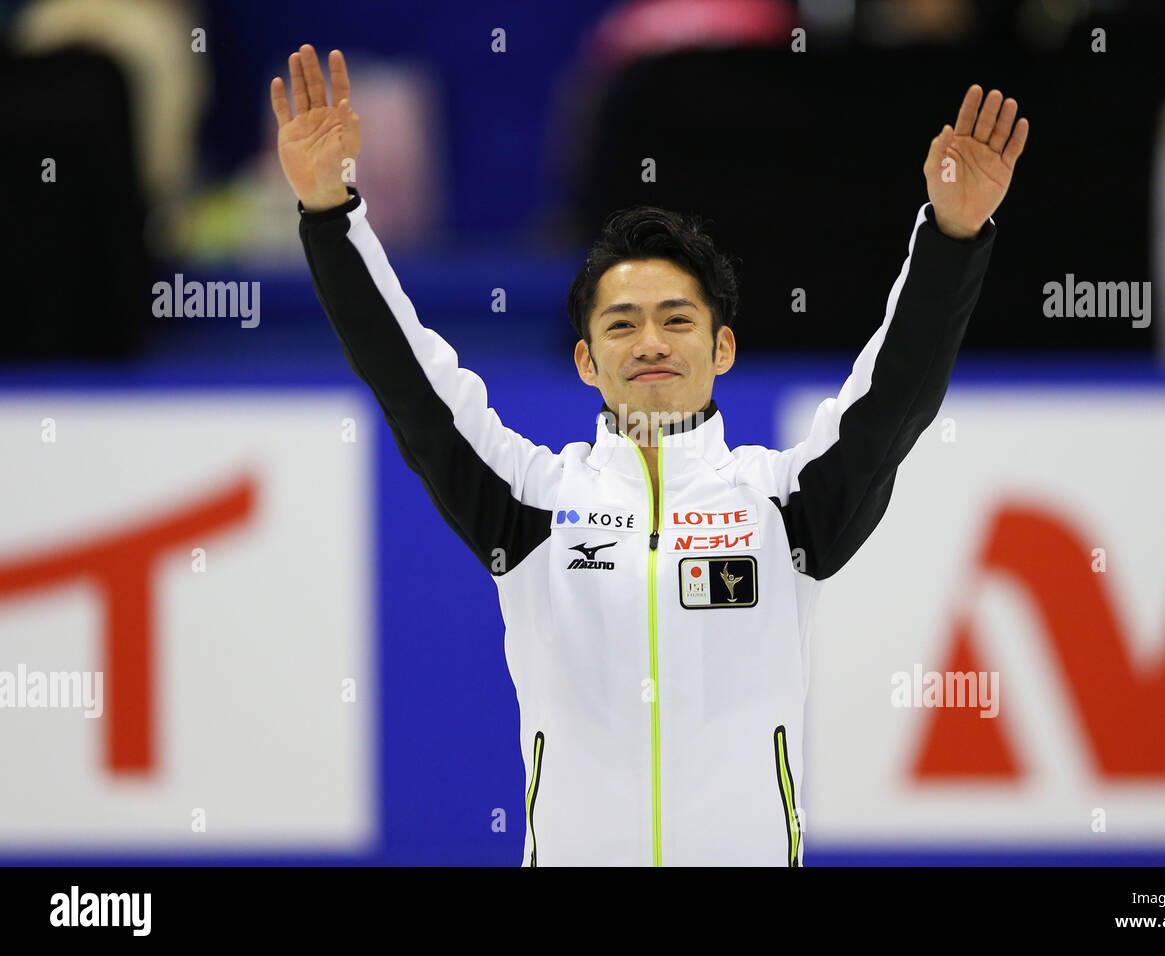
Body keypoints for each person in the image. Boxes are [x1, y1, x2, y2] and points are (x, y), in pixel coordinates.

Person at [272, 44, 1027, 866]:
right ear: (587, 361)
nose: (651, 342)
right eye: (621, 324)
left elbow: (895, 403)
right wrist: (330, 214)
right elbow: (409, 382)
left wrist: (953, 236)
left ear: (724, 347)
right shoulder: (529, 503)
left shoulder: (783, 505)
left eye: (677, 319)